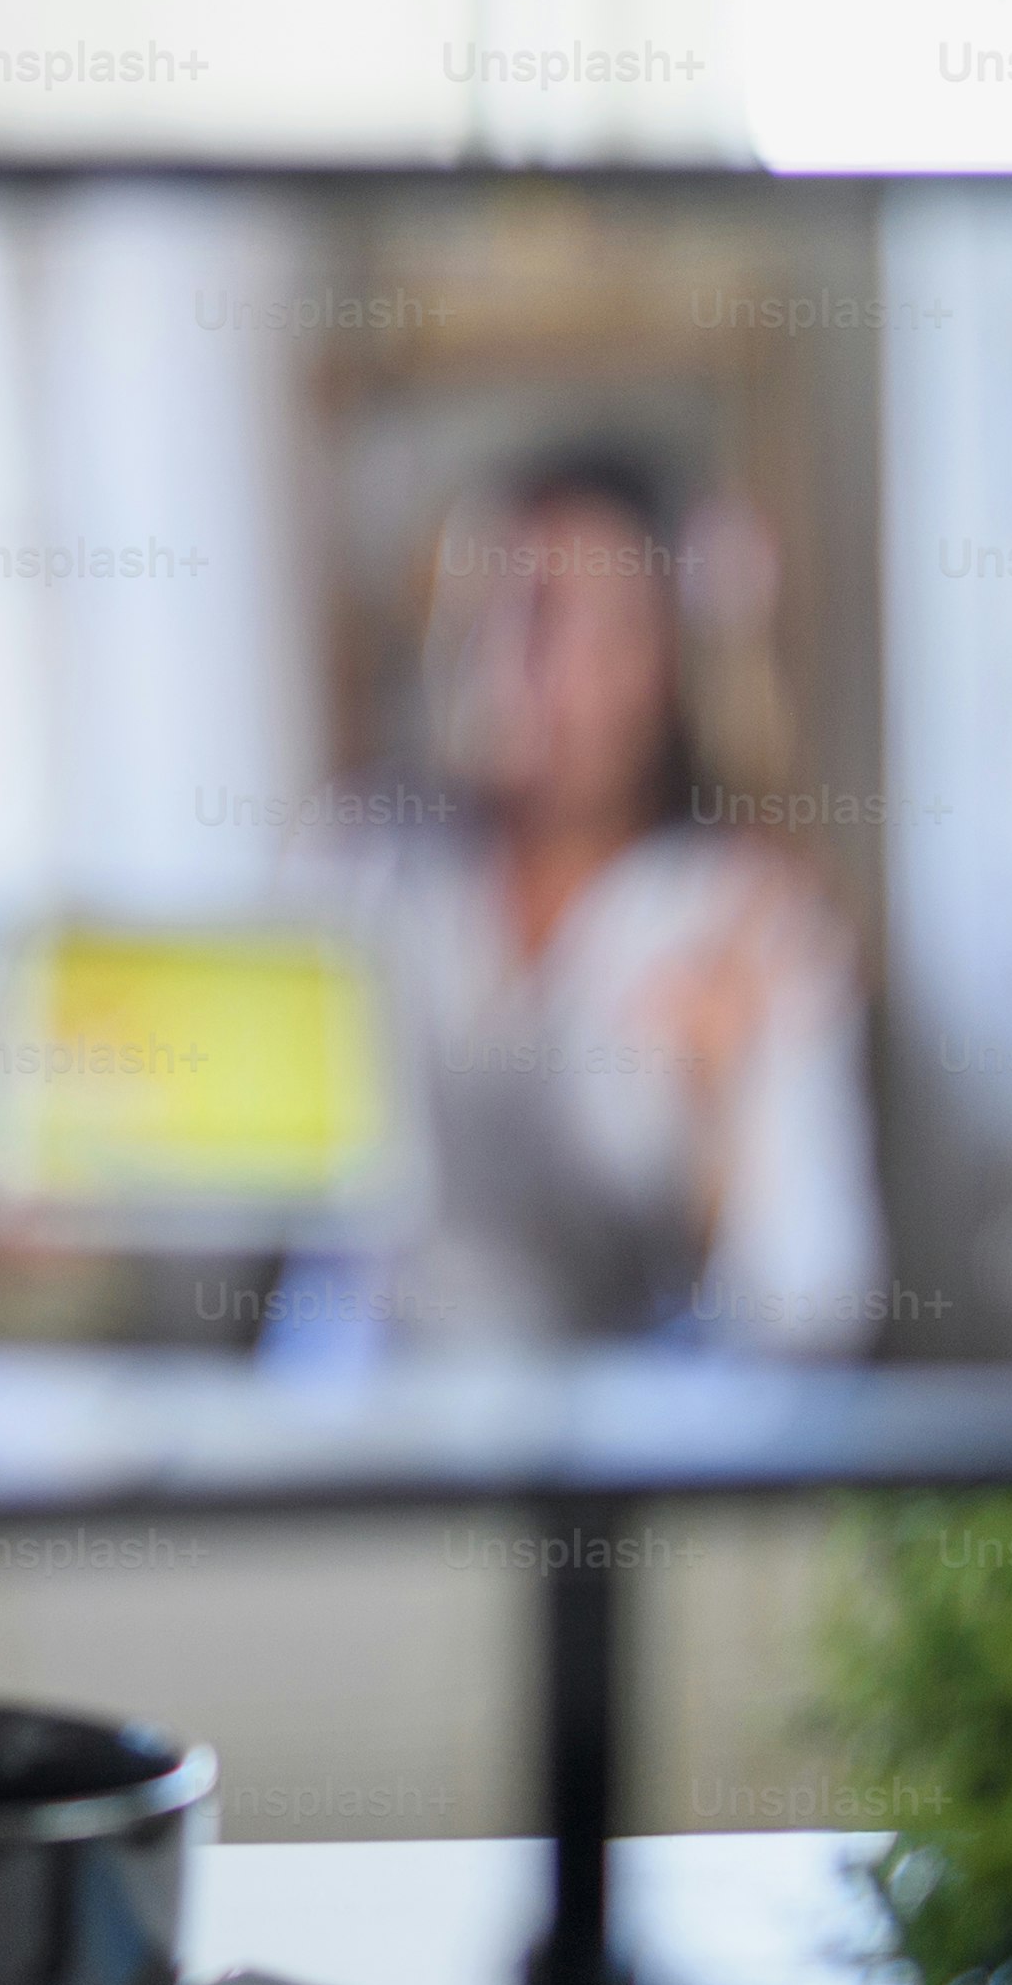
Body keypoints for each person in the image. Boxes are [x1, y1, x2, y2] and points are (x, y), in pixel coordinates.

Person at [285, 448, 884, 1360]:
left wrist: (721, 1125)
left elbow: (814, 1308)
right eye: (500, 609)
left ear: (669, 665)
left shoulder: (747, 923)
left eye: (583, 624)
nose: (525, 659)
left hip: (624, 1429)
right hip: (363, 1414)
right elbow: (238, 1183)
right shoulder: (359, 867)